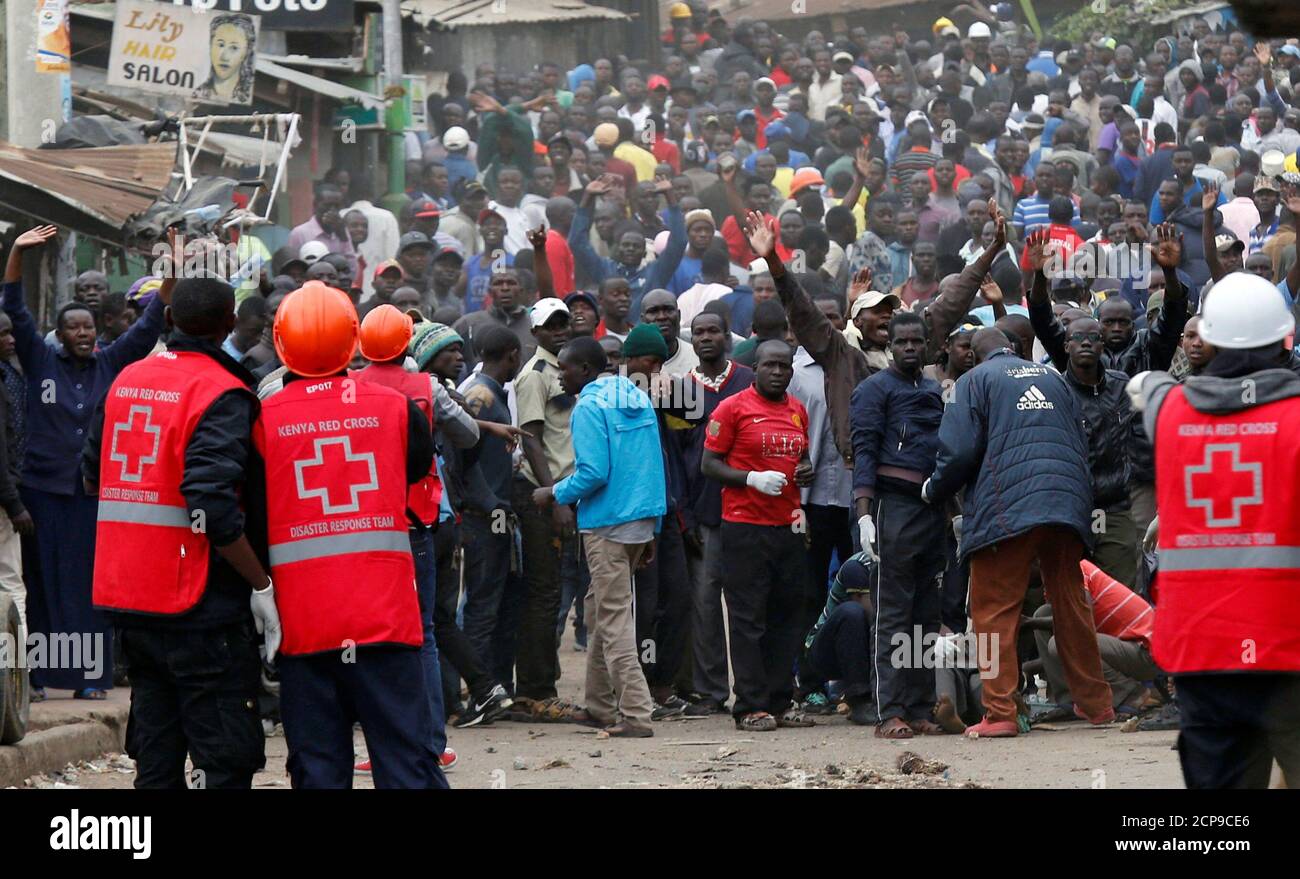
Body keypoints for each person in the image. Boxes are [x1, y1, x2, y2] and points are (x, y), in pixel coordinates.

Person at [251, 282, 443, 789]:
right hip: (385, 615)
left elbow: (249, 506)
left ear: (278, 341)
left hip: (303, 621)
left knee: (317, 766)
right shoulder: (396, 407)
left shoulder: (261, 420)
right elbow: (416, 468)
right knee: (405, 758)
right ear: (354, 338)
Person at [85, 275, 272, 789]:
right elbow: (210, 502)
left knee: (157, 753)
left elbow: (89, 472)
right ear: (230, 325)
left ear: (167, 320)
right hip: (199, 603)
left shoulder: (126, 379)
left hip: (130, 600)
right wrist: (261, 583)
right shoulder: (225, 391)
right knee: (225, 757)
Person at [1131, 273, 1300, 788]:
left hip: (1202, 651)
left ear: (1207, 338)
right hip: (1287, 649)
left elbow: (1147, 384)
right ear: (1288, 340)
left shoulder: (1169, 415)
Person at [923, 327, 1114, 737]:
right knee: (1070, 601)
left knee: (993, 610)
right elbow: (1081, 439)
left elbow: (957, 451)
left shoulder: (972, 382)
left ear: (974, 356)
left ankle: (1000, 713)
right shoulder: (1054, 378)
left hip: (1007, 508)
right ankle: (1097, 705)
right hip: (1066, 503)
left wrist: (933, 489)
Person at [4, 226, 168, 700]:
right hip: (39, 495)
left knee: (90, 586)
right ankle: (35, 679)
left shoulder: (111, 363)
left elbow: (150, 322)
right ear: (59, 334)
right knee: (39, 584)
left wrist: (173, 271)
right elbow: (13, 306)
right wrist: (15, 252)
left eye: (89, 328)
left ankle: (91, 680)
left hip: (92, 495)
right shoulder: (39, 361)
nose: (83, 333)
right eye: (74, 327)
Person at [533, 335, 668, 738]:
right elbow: (653, 466)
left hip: (607, 524)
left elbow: (593, 473)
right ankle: (599, 705)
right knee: (596, 610)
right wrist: (653, 530)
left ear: (586, 370)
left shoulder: (588, 406)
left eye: (566, 369)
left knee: (612, 621)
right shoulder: (636, 397)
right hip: (639, 522)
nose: (560, 378)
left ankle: (637, 714)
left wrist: (552, 493)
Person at [701, 339, 815, 732]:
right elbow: (709, 465)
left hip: (788, 526)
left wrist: (806, 468)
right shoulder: (731, 408)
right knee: (749, 619)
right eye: (770, 365)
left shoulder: (798, 411)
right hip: (745, 526)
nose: (779, 372)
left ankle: (780, 701)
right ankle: (749, 704)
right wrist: (749, 477)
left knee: (786, 616)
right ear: (755, 368)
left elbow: (802, 456)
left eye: (785, 366)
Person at [851, 310, 948, 738]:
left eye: (917, 341)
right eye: (902, 341)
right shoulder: (874, 389)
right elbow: (864, 451)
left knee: (927, 615)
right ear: (890, 345)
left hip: (931, 510)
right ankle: (888, 711)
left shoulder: (932, 389)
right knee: (891, 614)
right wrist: (864, 515)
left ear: (928, 345)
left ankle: (920, 706)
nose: (910, 347)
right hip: (893, 509)